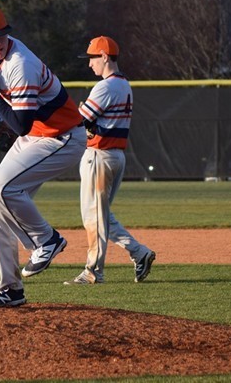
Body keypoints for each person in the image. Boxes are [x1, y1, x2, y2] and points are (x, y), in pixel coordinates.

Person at [0, 6, 87, 309]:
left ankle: (47, 240)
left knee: (2, 184)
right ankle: (11, 288)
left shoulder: (20, 64)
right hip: (38, 136)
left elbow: (20, 125)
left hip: (64, 135)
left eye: (1, 35)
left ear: (8, 32)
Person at [65, 36, 155, 285]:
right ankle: (140, 253)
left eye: (92, 58)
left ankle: (93, 272)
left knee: (94, 217)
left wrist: (81, 118)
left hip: (99, 156)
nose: (89, 64)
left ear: (104, 56)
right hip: (115, 156)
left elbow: (79, 121)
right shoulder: (124, 84)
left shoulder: (105, 87)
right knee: (102, 216)